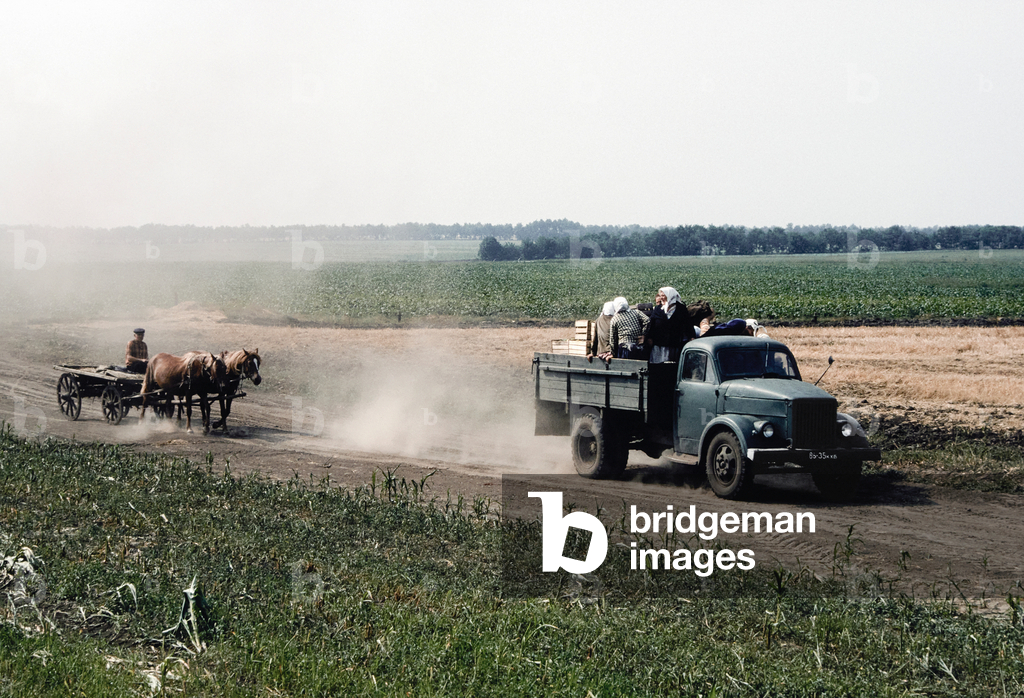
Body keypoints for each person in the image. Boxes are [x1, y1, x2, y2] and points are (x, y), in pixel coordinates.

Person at [648, 286, 696, 363]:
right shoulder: (658, 309)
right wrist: (649, 337)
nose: (661, 298)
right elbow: (652, 324)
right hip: (659, 344)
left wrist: (691, 336)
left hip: (674, 343)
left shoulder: (681, 309)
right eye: (660, 296)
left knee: (672, 365)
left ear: (670, 296)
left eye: (663, 296)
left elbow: (688, 324)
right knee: (658, 365)